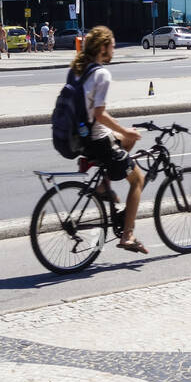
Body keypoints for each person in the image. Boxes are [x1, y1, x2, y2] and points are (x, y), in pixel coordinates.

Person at [70, 26, 147, 254]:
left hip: (83, 137)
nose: (114, 49)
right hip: (98, 140)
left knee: (126, 140)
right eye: (112, 45)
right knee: (138, 180)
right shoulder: (102, 73)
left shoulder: (79, 70)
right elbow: (100, 113)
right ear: (103, 48)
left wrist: (124, 134)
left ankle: (104, 185)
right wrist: (126, 130)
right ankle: (128, 234)